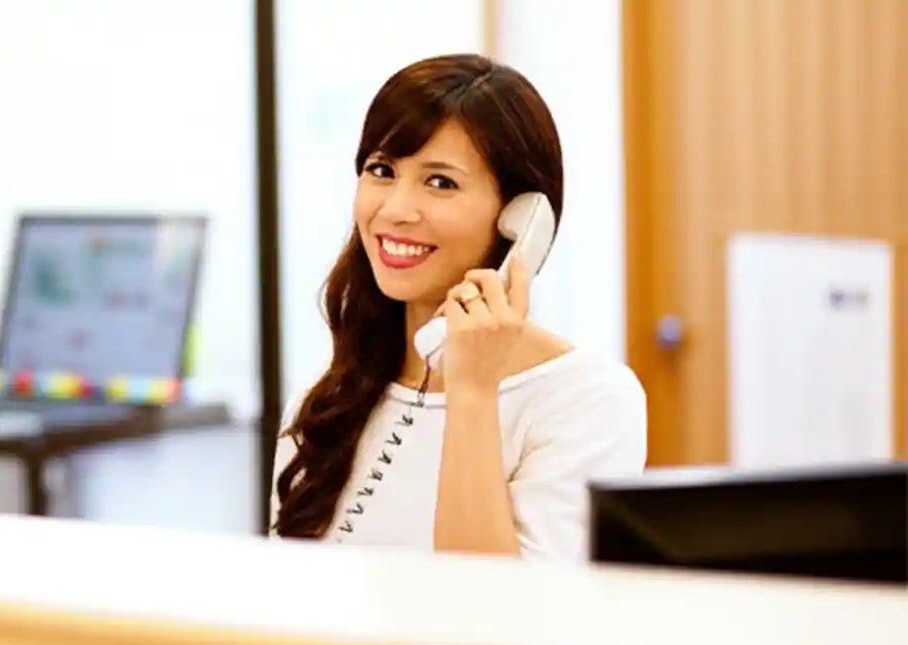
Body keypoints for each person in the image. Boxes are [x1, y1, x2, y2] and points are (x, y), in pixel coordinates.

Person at [270, 54, 647, 561]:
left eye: (440, 181)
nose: (396, 209)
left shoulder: (588, 400)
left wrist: (471, 390)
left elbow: (493, 616)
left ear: (519, 217)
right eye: (381, 170)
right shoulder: (328, 405)